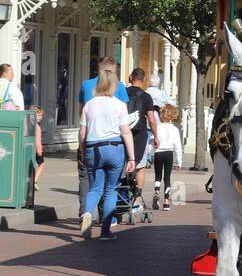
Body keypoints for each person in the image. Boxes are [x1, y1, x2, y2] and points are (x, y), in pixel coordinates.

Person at [78, 69, 135, 240]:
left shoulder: (89, 104)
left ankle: (87, 213)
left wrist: (83, 151)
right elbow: (125, 132)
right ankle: (105, 231)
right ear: (114, 85)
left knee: (95, 188)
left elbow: (82, 133)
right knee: (111, 190)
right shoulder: (119, 105)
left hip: (93, 148)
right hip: (114, 147)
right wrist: (131, 157)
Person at [125, 67, 160, 195]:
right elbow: (151, 119)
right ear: (143, 80)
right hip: (140, 134)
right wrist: (156, 136)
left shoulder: (122, 92)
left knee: (124, 162)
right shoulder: (146, 96)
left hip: (123, 132)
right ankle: (137, 198)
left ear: (130, 77)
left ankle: (121, 192)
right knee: (140, 167)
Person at [153, 104, 184, 210]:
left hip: (158, 153)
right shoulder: (175, 129)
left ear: (162, 114)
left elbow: (152, 140)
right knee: (167, 178)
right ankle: (166, 202)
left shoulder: (157, 127)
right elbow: (178, 146)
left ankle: (156, 192)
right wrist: (179, 161)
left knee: (158, 176)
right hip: (169, 154)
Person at [32, 105, 46, 190]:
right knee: (41, 163)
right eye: (39, 115)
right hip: (36, 150)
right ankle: (34, 180)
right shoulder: (37, 127)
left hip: (29, 148)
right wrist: (39, 151)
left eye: (41, 115)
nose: (41, 117)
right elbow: (37, 141)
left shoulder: (28, 124)